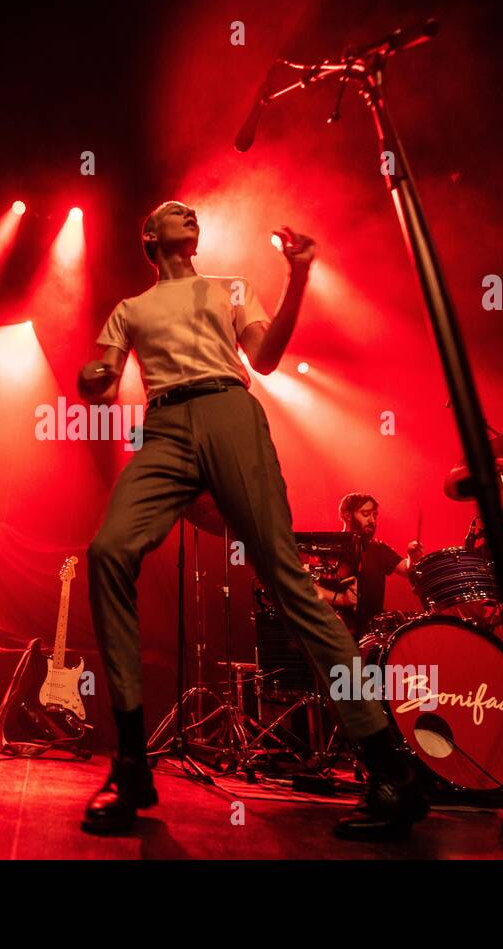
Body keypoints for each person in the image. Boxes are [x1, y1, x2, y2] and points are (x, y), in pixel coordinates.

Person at [77, 200, 427, 839]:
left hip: (230, 410)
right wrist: (93, 376)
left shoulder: (230, 288)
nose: (188, 213)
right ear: (149, 236)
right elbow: (99, 381)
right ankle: (130, 764)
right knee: (107, 553)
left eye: (192, 212)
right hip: (164, 427)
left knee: (290, 586)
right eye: (172, 212)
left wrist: (298, 277)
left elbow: (263, 360)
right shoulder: (131, 308)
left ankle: (388, 768)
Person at [321, 493, 423, 635]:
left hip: (371, 633)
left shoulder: (378, 549)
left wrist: (412, 556)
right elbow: (307, 588)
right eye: (366, 514)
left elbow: (407, 571)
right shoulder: (327, 548)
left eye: (375, 515)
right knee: (353, 657)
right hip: (337, 631)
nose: (372, 520)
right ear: (347, 515)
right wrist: (342, 600)